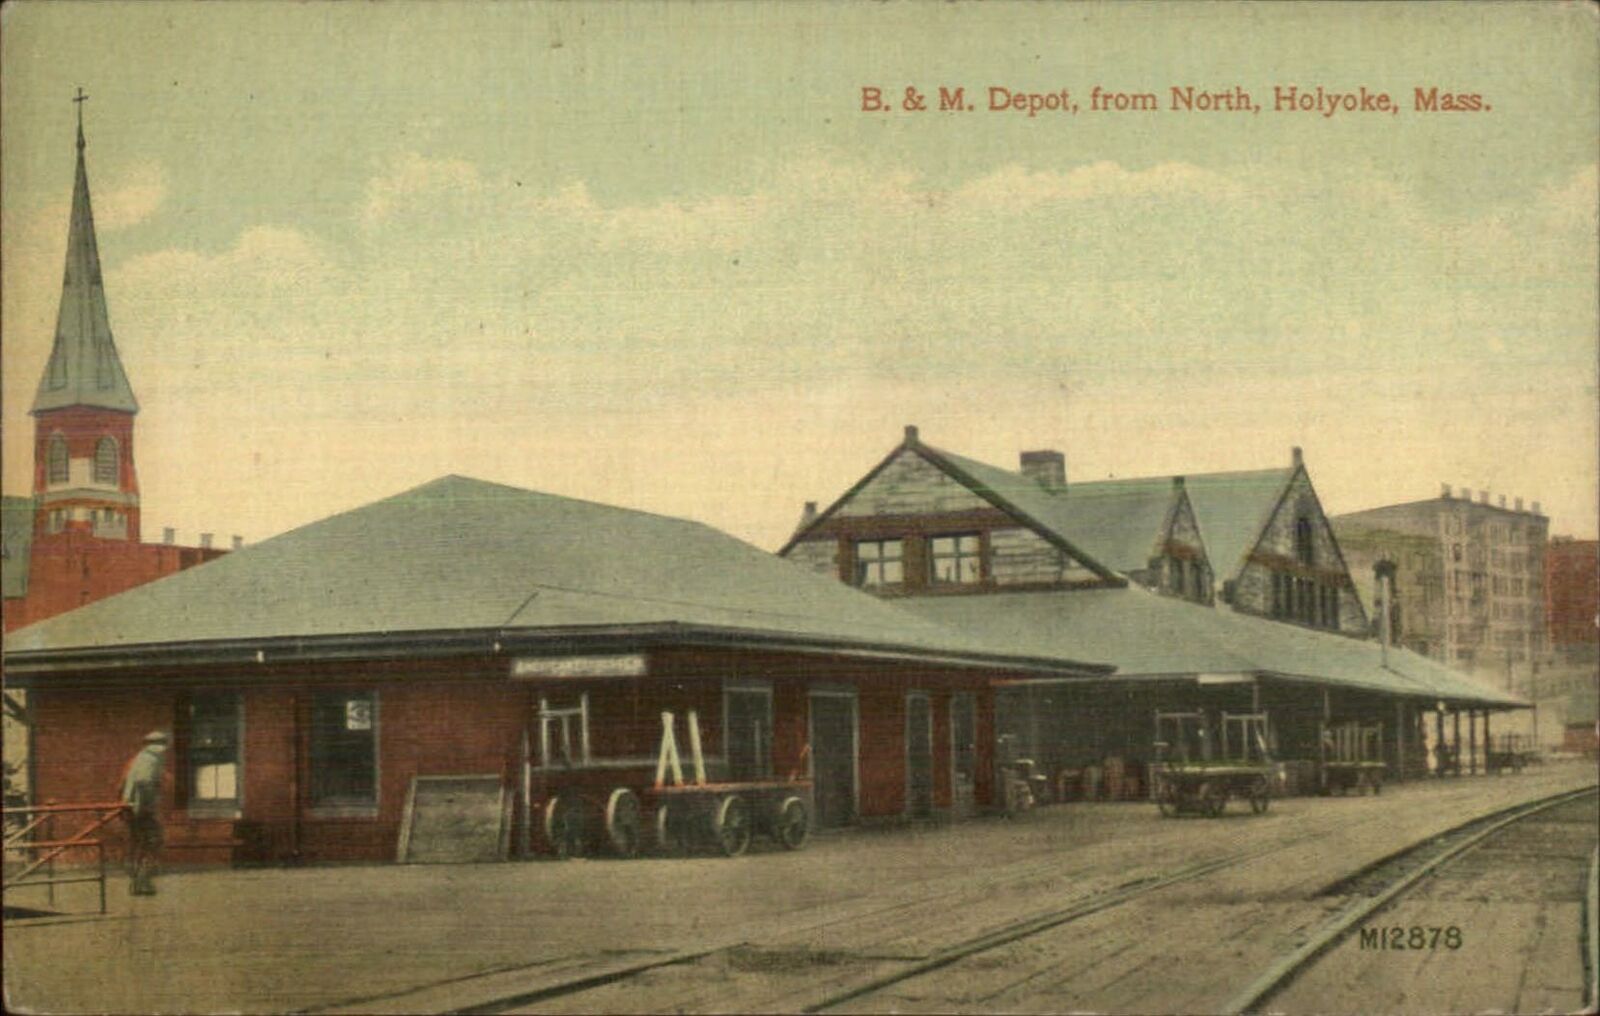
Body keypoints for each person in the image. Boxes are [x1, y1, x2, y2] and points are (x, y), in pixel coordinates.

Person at [120, 730, 168, 896]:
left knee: (140, 842)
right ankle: (143, 881)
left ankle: (138, 882)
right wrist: (148, 804)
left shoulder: (139, 759)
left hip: (133, 808)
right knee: (153, 841)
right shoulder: (150, 760)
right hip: (142, 809)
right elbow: (144, 781)